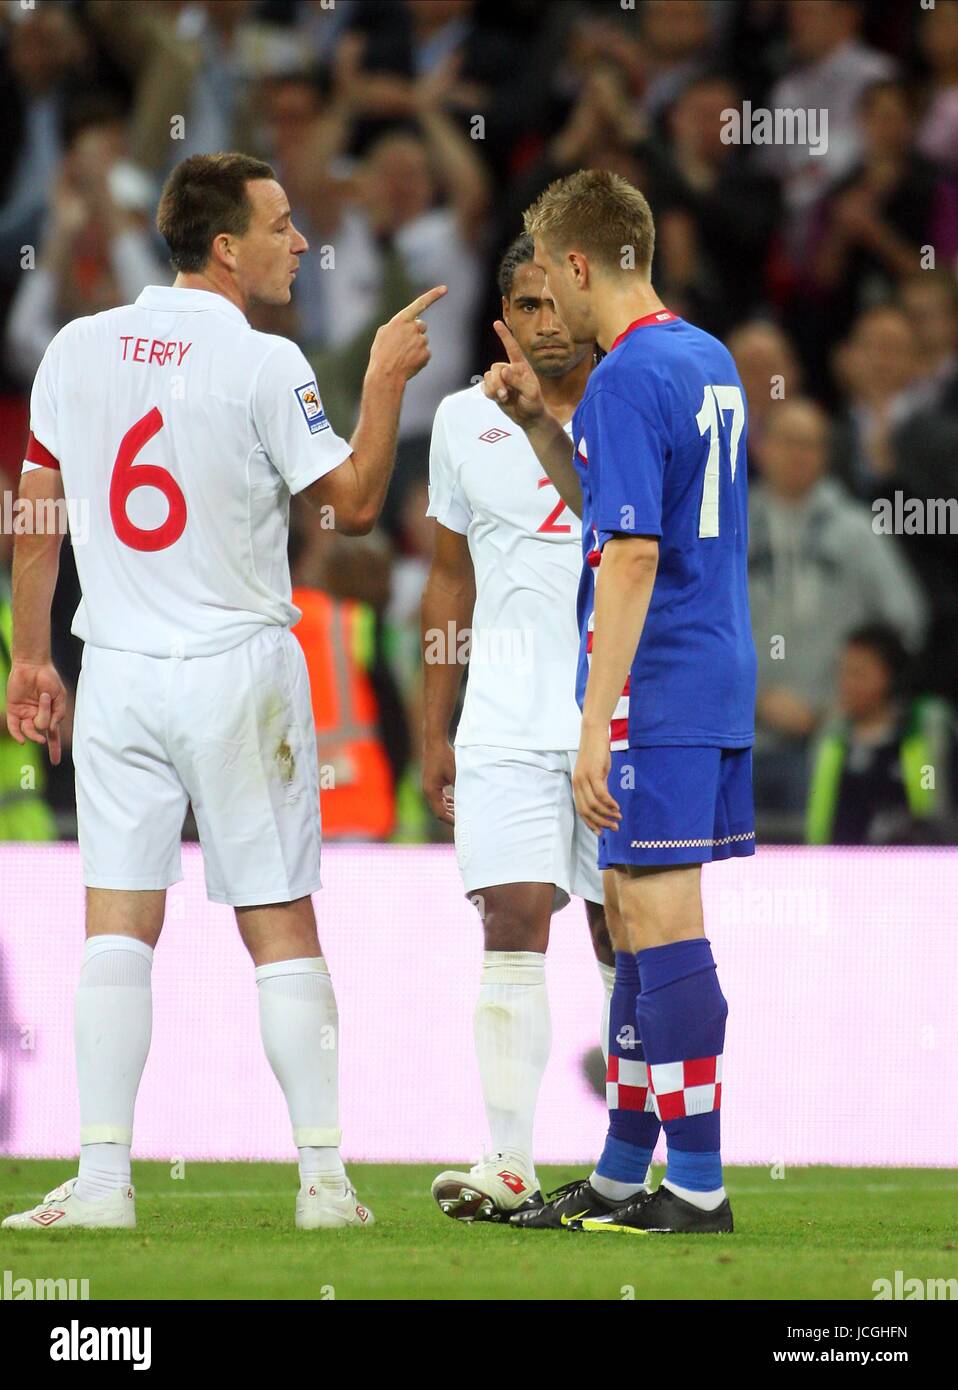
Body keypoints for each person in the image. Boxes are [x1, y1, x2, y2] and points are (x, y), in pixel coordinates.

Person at [2, 151, 444, 1233]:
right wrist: (385, 377)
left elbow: (34, 519)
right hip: (237, 671)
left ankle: (104, 1181)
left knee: (117, 922)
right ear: (223, 246)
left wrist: (30, 658)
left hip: (116, 672)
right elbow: (349, 505)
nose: (301, 242)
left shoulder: (73, 348)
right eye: (282, 224)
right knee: (279, 920)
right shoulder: (264, 360)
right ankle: (324, 1183)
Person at [485, 168, 756, 1235]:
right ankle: (615, 1176)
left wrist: (594, 724)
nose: (545, 291)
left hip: (658, 675)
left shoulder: (625, 377)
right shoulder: (707, 357)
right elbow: (618, 511)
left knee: (660, 920)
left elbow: (630, 557)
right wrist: (544, 427)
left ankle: (695, 1186)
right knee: (638, 931)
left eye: (548, 271)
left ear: (583, 263)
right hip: (713, 666)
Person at [421, 234, 615, 1222]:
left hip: (614, 715)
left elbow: (635, 546)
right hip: (501, 718)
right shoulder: (459, 421)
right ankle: (507, 1159)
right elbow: (446, 577)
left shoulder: (628, 409)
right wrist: (432, 719)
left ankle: (635, 1160)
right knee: (511, 924)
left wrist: (552, 421)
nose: (544, 324)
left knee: (623, 932)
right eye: (525, 307)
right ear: (500, 316)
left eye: (556, 304)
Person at [806, 624, 956, 845]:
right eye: (843, 672)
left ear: (890, 676)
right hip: (840, 870)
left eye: (859, 674)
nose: (847, 684)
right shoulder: (831, 737)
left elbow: (941, 811)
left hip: (916, 868)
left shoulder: (926, 729)